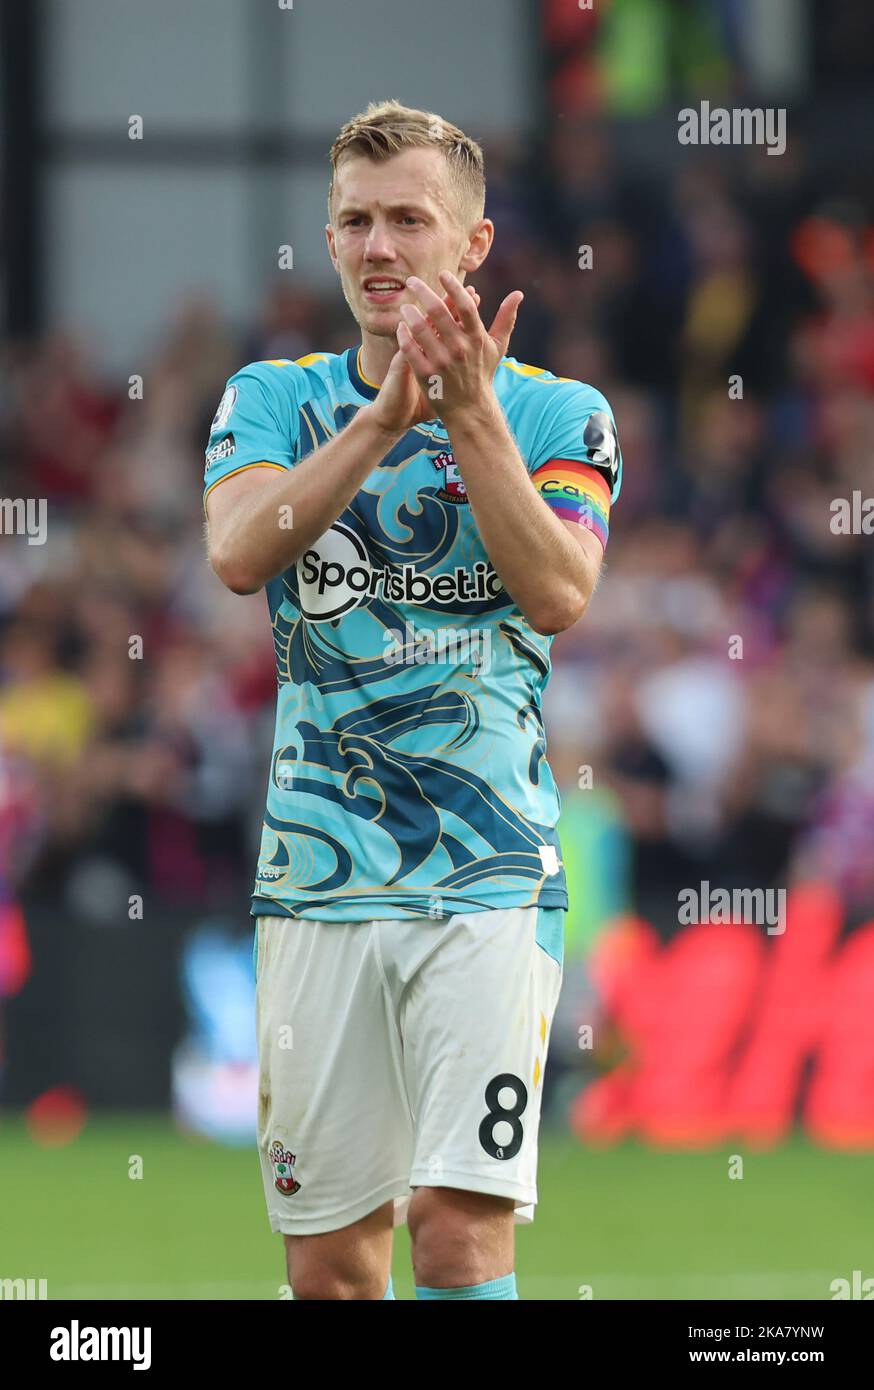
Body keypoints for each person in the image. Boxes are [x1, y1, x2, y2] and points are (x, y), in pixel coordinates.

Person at [203, 100, 621, 1301]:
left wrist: (463, 410)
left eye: (407, 220)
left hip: (486, 878)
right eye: (354, 222)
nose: (379, 247)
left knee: (454, 1232)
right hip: (316, 879)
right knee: (333, 1267)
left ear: (471, 246)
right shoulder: (271, 399)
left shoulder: (559, 413)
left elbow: (555, 588)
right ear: (328, 242)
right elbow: (240, 552)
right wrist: (383, 418)